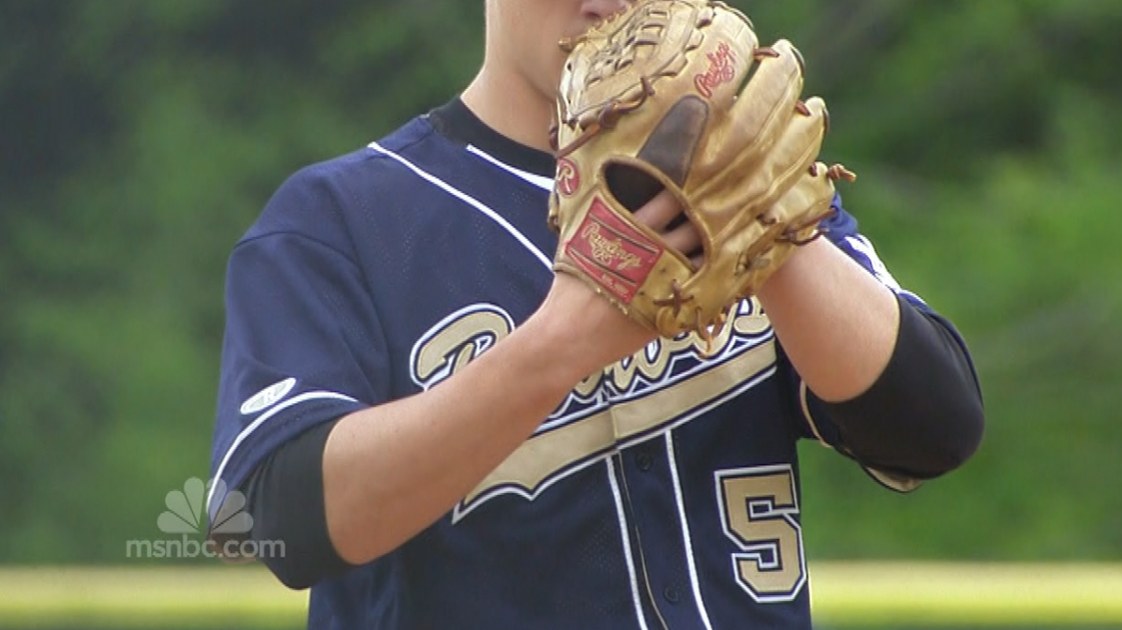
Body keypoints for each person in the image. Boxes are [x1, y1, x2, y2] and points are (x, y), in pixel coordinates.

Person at [207, 0, 984, 627]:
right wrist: (562, 342)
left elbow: (937, 427)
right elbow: (281, 523)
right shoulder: (338, 222)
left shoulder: (760, 190)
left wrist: (766, 217)